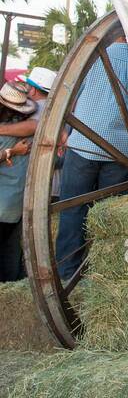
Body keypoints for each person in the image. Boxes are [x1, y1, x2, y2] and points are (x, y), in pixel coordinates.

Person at [54, 38, 128, 282]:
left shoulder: (94, 57)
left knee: (72, 210)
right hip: (120, 151)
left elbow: (71, 95)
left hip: (83, 144)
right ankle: (106, 271)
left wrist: (64, 131)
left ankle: (67, 272)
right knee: (109, 215)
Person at [0, 83, 39, 281]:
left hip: (2, 203)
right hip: (18, 203)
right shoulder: (29, 132)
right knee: (10, 254)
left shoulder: (5, 133)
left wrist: (11, 152)